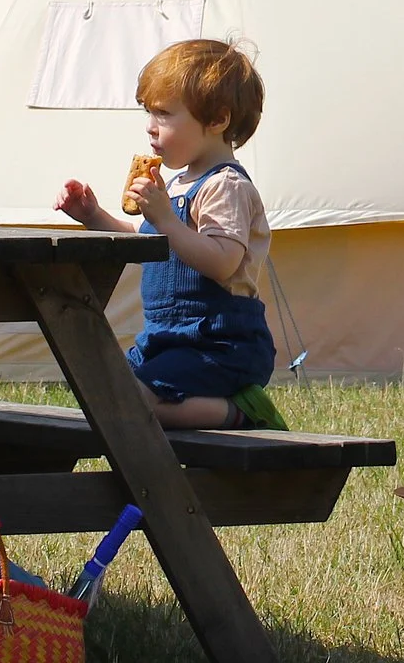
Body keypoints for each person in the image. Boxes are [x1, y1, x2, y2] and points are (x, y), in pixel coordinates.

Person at [56, 40, 287, 430]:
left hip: (218, 341)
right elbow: (145, 239)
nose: (150, 126)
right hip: (166, 337)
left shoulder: (225, 186)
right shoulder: (179, 183)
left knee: (131, 403)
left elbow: (223, 260)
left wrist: (166, 219)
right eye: (148, 112)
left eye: (163, 113)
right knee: (104, 389)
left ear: (218, 120)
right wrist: (93, 216)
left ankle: (239, 412)